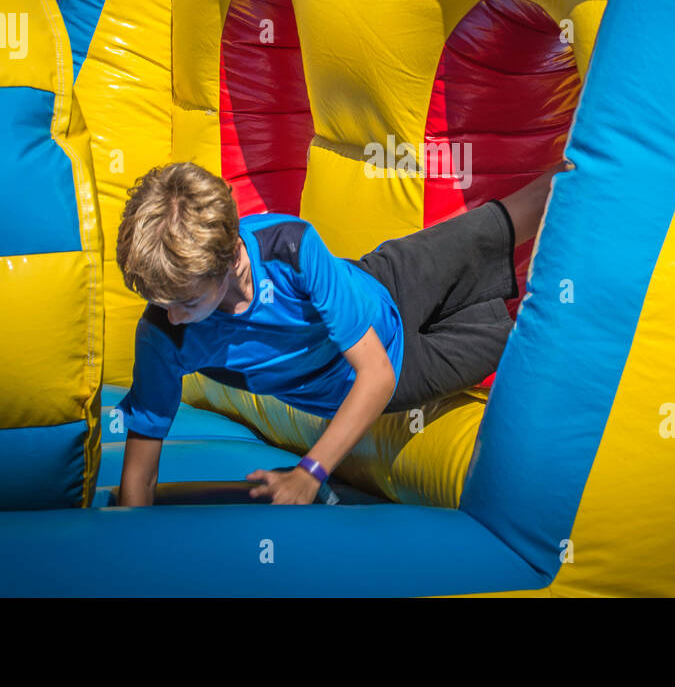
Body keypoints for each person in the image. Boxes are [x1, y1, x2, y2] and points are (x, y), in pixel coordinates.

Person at [115, 160, 569, 506]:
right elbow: (140, 474)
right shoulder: (164, 334)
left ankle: (611, 168)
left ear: (234, 257)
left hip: (386, 280)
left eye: (187, 303)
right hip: (400, 368)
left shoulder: (287, 246)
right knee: (527, 331)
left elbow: (366, 358)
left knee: (508, 217)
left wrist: (309, 472)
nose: (171, 317)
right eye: (163, 304)